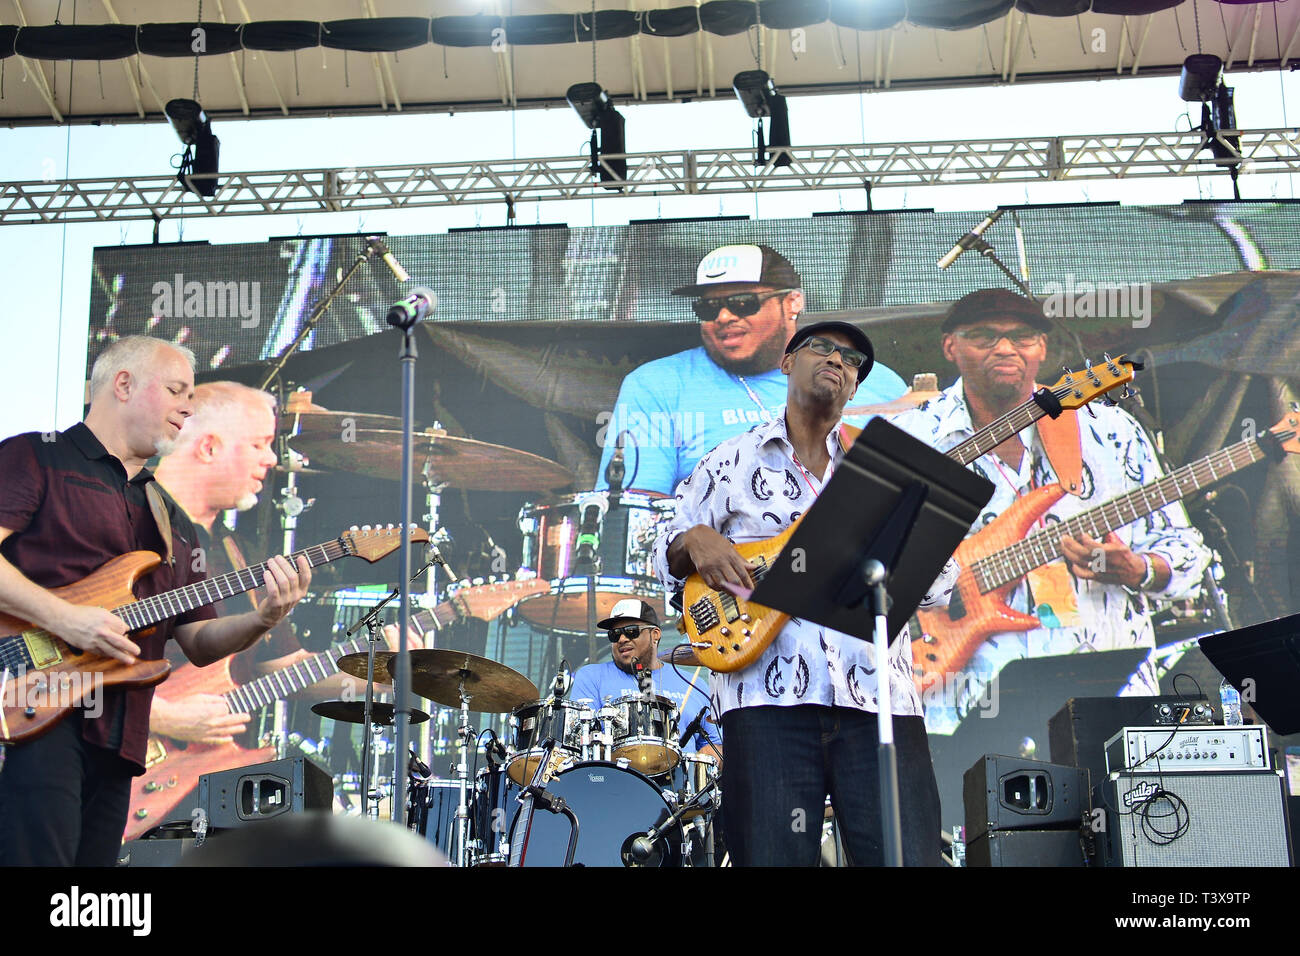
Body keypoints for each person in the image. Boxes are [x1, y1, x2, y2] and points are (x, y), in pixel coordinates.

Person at [653, 321, 959, 867]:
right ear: (787, 362)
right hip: (767, 703)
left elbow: (938, 588)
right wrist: (693, 539)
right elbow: (662, 553)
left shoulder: (885, 471)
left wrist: (911, 528)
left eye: (852, 360)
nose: (838, 360)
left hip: (879, 704)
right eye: (823, 347)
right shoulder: (729, 462)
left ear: (856, 388)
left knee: (907, 859)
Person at [0, 336, 311, 866]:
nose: (186, 407)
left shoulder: (167, 515)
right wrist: (68, 621)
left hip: (121, 738)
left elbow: (198, 640)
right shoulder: (36, 457)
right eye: (175, 390)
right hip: (39, 711)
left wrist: (263, 618)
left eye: (192, 395)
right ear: (123, 384)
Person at [889, 289, 1212, 734]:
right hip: (962, 701)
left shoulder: (1111, 431)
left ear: (1042, 347)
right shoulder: (907, 440)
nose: (1004, 348)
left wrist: (1138, 569)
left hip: (1106, 694)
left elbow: (1183, 548)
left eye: (1021, 336)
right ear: (951, 346)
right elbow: (859, 565)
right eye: (984, 336)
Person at [596, 244, 907, 495]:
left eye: (744, 303)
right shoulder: (656, 385)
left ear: (792, 303)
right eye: (708, 308)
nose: (724, 316)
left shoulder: (875, 382)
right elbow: (635, 508)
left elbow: (922, 491)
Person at [570, 598, 718, 756]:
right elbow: (580, 741)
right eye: (614, 635)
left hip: (681, 778)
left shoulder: (694, 683)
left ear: (655, 634)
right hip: (615, 777)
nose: (622, 639)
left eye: (631, 631)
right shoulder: (591, 676)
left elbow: (718, 746)